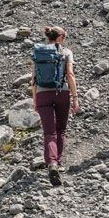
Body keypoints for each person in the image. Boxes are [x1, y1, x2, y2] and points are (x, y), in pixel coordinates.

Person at [29, 25, 80, 186]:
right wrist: (75, 97)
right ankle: (57, 162)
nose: (64, 40)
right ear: (60, 38)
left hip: (42, 94)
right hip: (61, 93)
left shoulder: (38, 53)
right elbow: (70, 75)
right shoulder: (66, 53)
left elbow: (33, 80)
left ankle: (51, 163)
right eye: (64, 37)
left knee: (48, 132)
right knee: (60, 130)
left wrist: (35, 101)